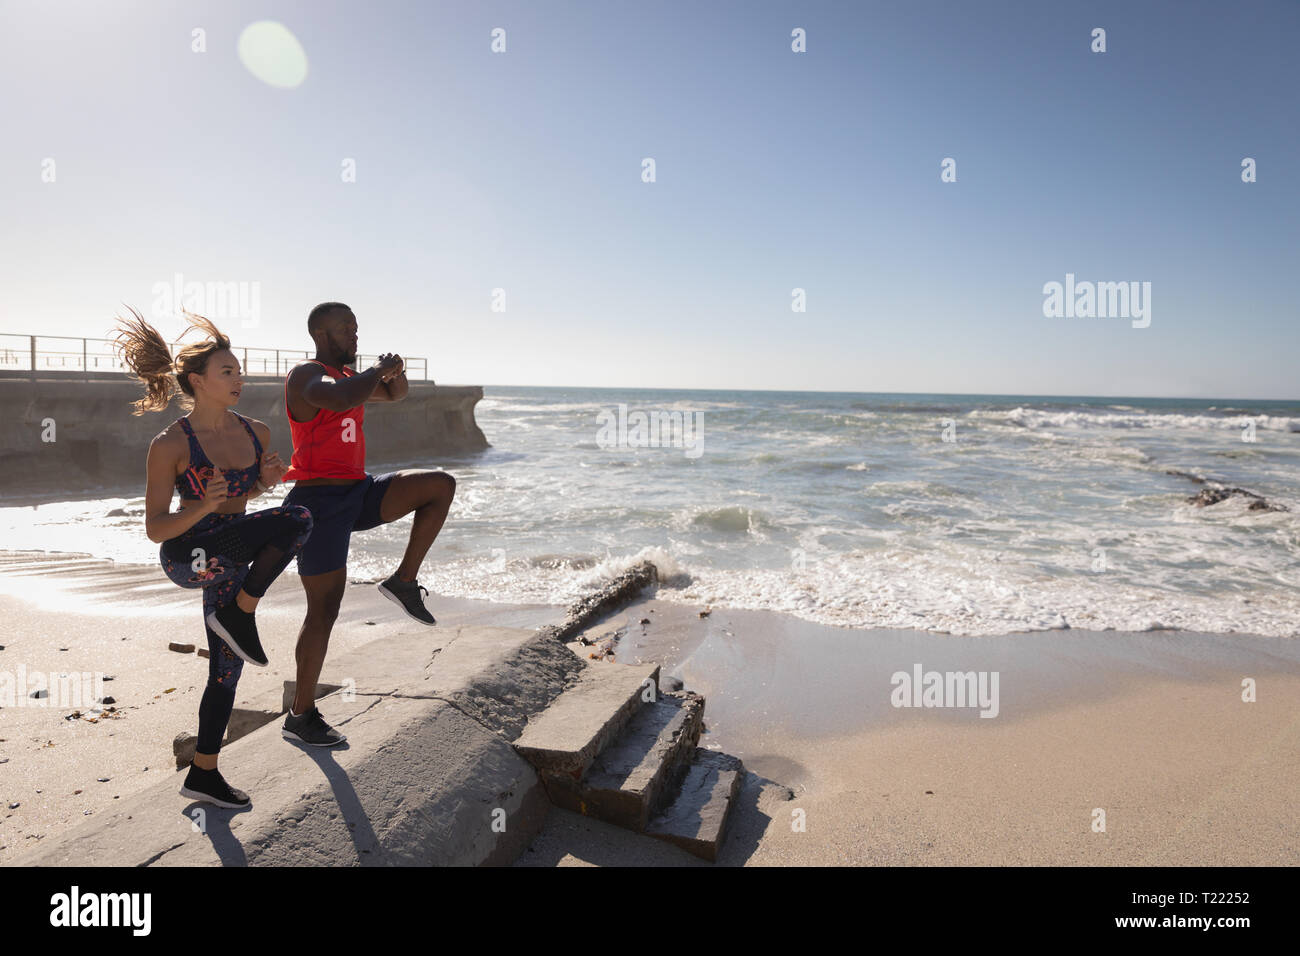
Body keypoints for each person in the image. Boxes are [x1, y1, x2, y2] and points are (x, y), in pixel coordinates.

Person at [111, 308, 313, 808]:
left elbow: (250, 506)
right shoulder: (170, 444)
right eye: (228, 372)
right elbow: (156, 527)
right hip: (190, 554)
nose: (238, 379)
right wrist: (203, 504)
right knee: (300, 518)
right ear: (198, 381)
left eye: (239, 371)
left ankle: (203, 773)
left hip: (235, 551)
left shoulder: (255, 433)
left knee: (226, 672)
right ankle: (239, 613)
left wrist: (265, 481)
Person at [279, 302, 455, 746]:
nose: (355, 336)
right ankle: (301, 714)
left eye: (357, 328)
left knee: (439, 485)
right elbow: (337, 399)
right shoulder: (307, 375)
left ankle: (403, 581)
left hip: (357, 490)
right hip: (317, 502)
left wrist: (394, 375)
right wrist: (377, 369)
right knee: (324, 610)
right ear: (321, 334)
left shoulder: (348, 380)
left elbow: (396, 396)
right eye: (345, 329)